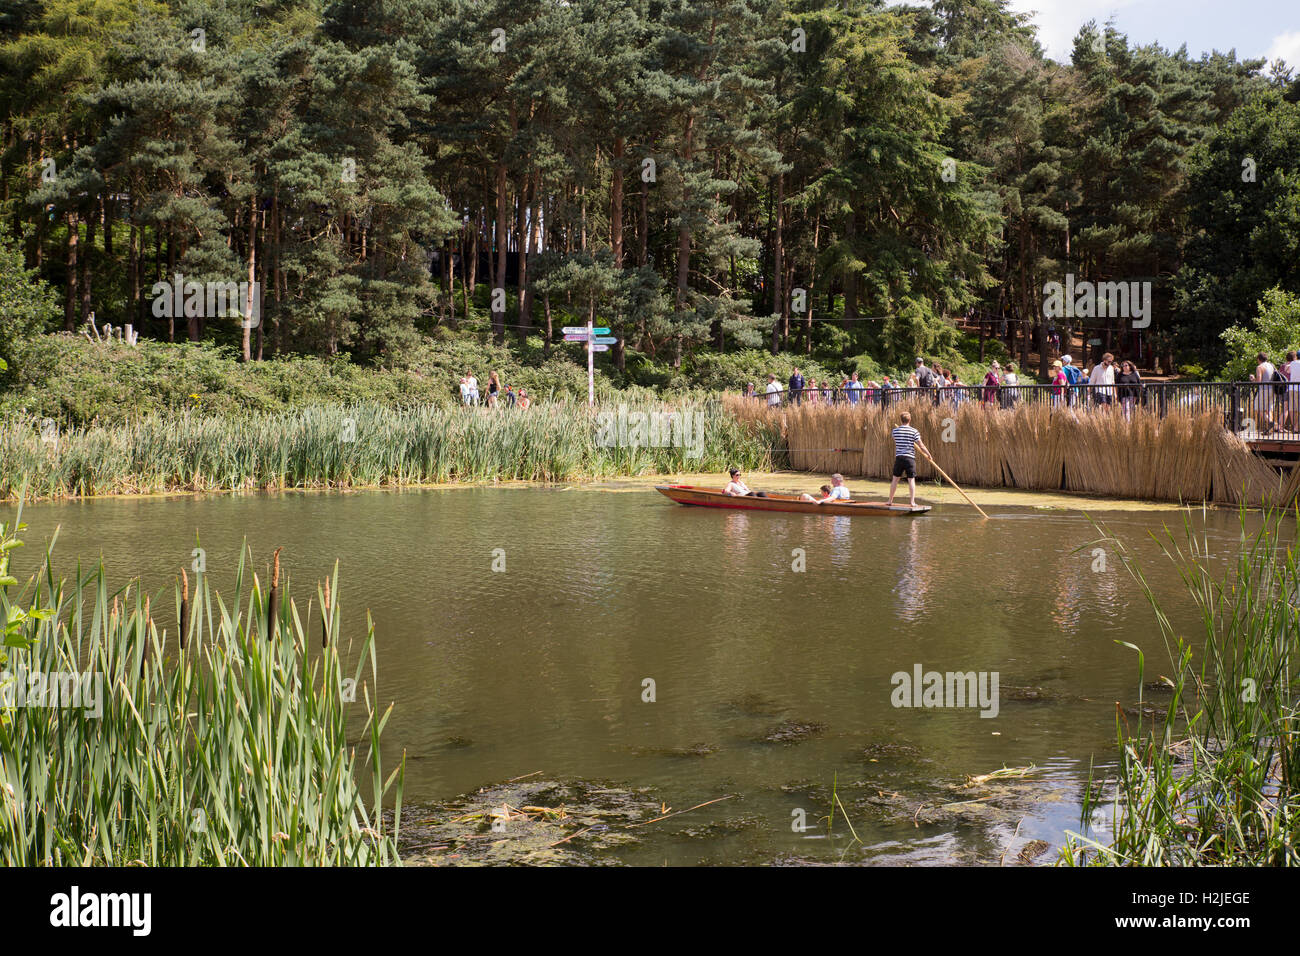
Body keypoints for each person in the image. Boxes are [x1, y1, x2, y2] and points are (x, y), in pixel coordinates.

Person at [888, 412, 930, 509]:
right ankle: (912, 502)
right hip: (910, 458)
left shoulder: (895, 431)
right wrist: (929, 454)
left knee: (895, 480)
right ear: (909, 420)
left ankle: (890, 501)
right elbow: (921, 445)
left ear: (901, 420)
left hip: (899, 457)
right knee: (911, 480)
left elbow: (896, 440)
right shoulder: (914, 431)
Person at [1253, 352, 1276, 433]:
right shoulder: (1271, 366)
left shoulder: (1260, 367)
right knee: (1268, 409)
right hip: (1272, 390)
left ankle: (1270, 422)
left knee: (1258, 408)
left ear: (1259, 359)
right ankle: (1270, 430)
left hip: (1264, 390)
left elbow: (1259, 381)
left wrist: (1253, 379)